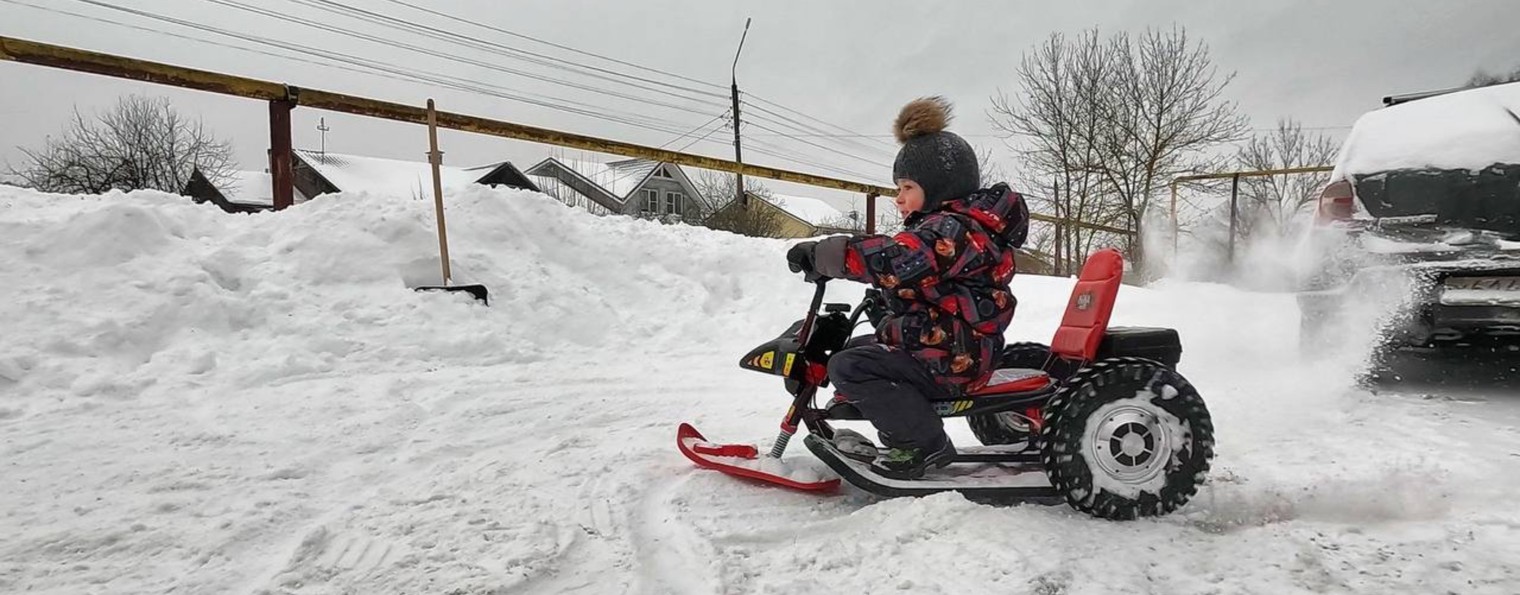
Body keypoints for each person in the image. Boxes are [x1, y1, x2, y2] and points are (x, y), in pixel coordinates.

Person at [786, 96, 1030, 479]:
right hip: (947, 345)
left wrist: (827, 255)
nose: (898, 198)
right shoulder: (953, 227)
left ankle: (921, 443)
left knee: (850, 366)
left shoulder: (954, 230)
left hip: (954, 357)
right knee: (852, 350)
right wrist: (888, 309)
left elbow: (897, 260)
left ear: (939, 188)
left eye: (907, 187)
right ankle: (898, 422)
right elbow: (931, 288)